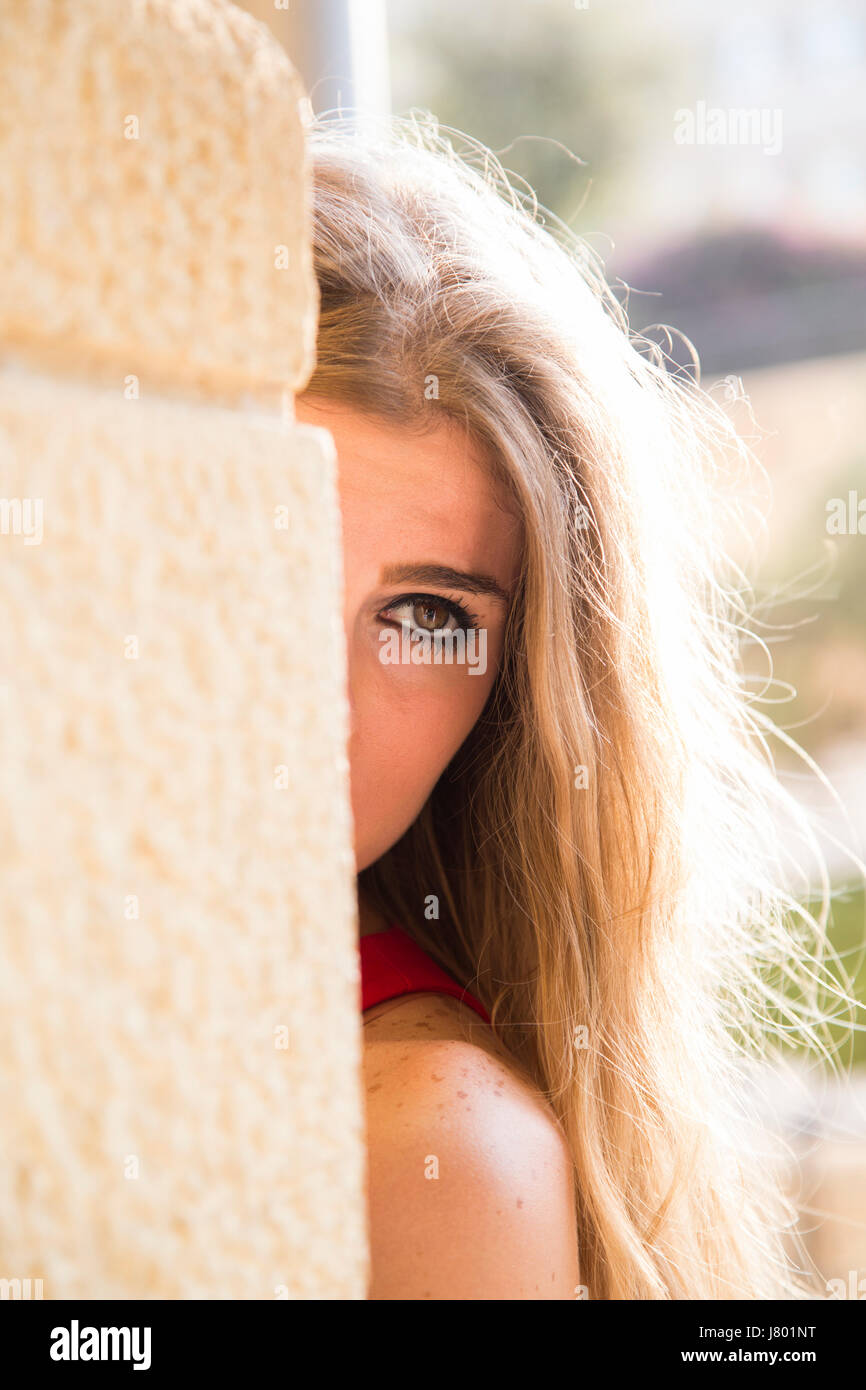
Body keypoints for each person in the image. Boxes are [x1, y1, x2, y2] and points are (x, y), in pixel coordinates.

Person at [294, 111, 831, 1300]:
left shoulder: (434, 1147)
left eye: (429, 615)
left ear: (501, 699)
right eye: (259, 563)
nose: (317, 703)